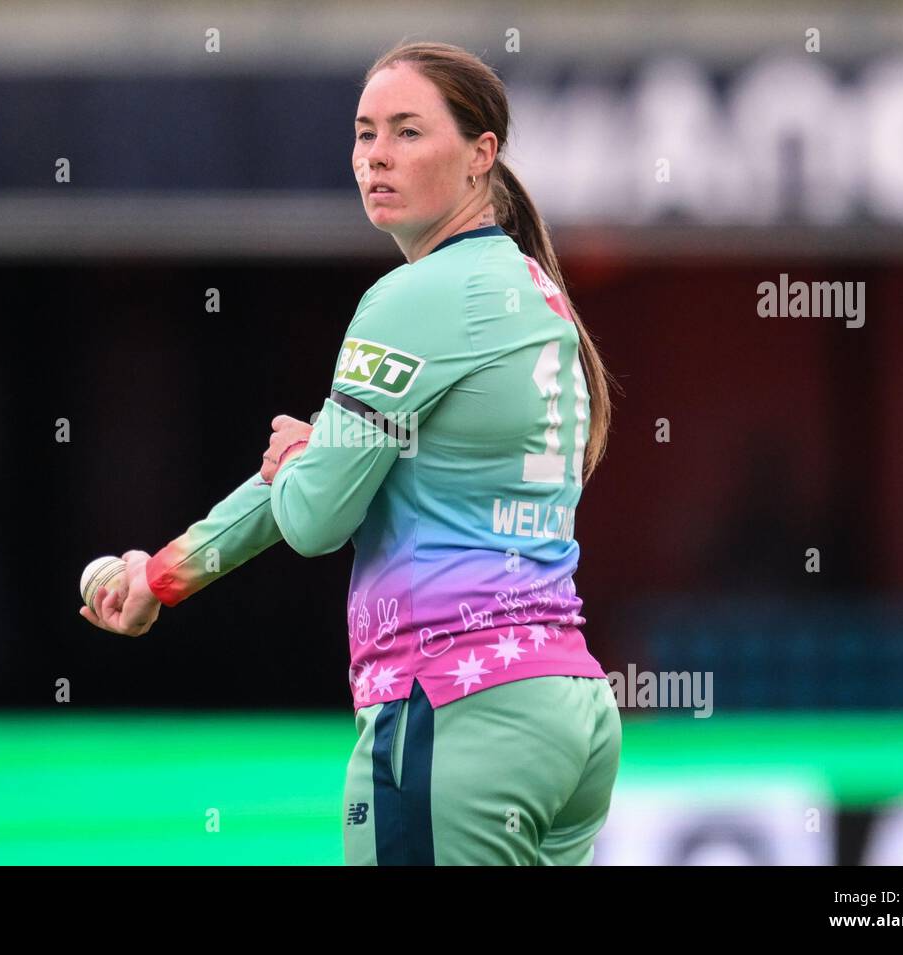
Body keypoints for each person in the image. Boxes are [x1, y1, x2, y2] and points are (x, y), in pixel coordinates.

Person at [80, 40, 622, 865]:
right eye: (365, 132)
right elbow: (328, 478)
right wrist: (163, 573)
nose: (376, 155)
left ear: (482, 157)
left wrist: (307, 456)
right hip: (566, 710)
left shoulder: (411, 297)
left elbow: (314, 518)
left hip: (452, 709)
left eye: (408, 132)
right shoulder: (533, 290)